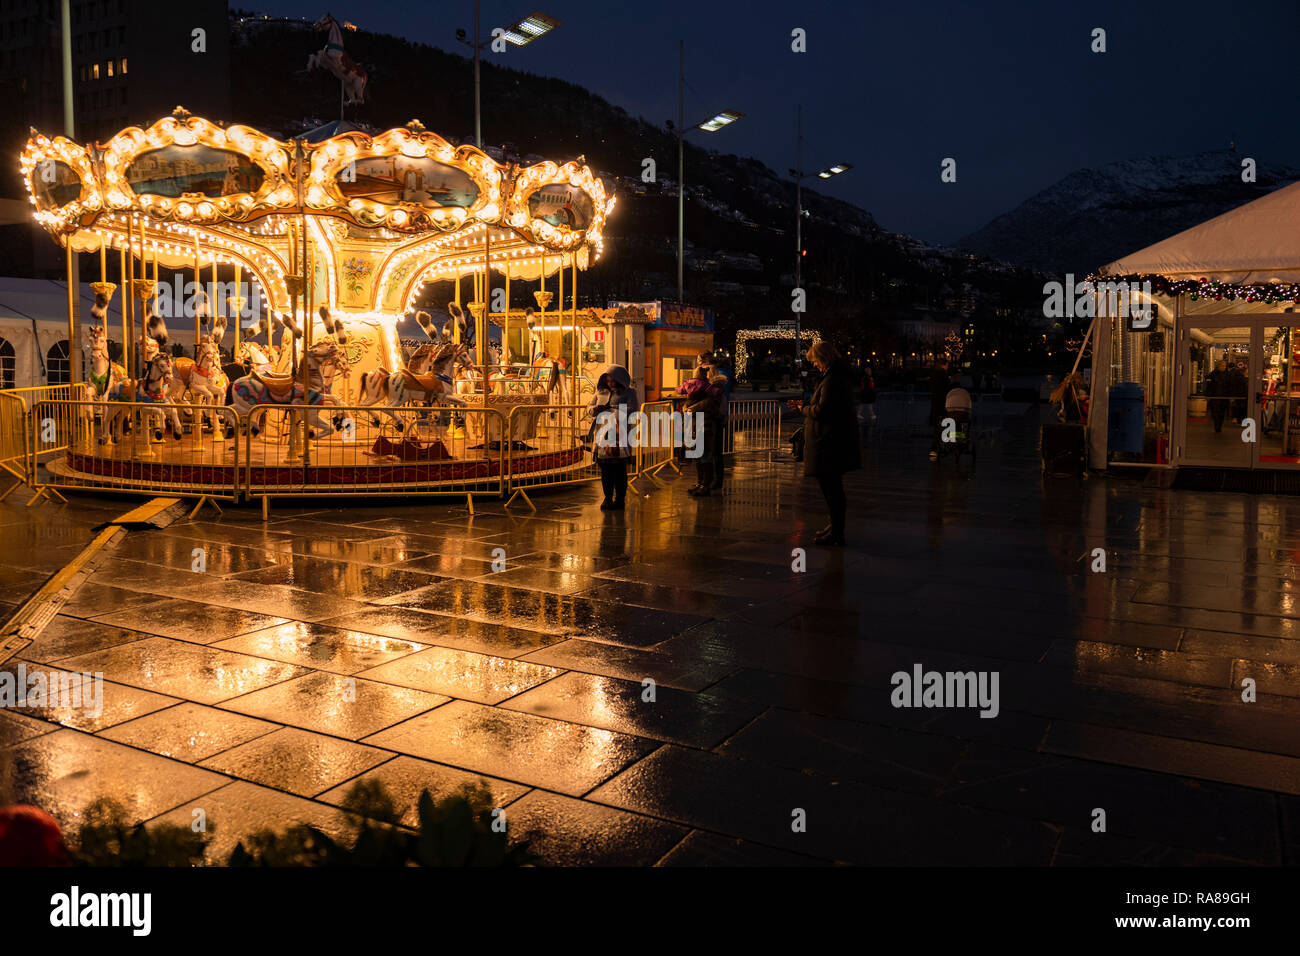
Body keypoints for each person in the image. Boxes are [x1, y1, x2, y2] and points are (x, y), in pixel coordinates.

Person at [802, 342, 861, 545]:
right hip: (834, 442)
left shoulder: (832, 381)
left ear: (824, 359)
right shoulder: (836, 377)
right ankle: (834, 527)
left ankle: (837, 531)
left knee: (832, 489)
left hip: (830, 444)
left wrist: (804, 409)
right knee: (832, 489)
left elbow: (822, 411)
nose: (815, 365)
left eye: (816, 361)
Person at [586, 365, 637, 510]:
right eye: (608, 381)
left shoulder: (629, 392)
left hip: (620, 435)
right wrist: (594, 410)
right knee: (605, 470)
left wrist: (611, 411)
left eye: (613, 381)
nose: (611, 384)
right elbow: (589, 408)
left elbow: (633, 409)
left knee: (620, 470)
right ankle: (607, 498)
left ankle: (620, 499)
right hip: (602, 436)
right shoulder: (600, 392)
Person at [678, 365, 722, 495]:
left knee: (704, 456)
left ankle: (705, 485)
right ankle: (700, 482)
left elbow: (710, 404)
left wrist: (691, 407)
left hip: (705, 424)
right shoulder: (704, 388)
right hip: (696, 423)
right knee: (698, 455)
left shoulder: (713, 389)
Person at [928, 357, 951, 461]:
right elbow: (947, 389)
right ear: (944, 365)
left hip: (935, 404)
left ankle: (935, 448)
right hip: (943, 404)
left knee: (937, 427)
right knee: (945, 426)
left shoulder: (934, 374)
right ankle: (944, 446)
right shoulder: (944, 375)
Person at [1206, 359, 1231, 433]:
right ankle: (1217, 425)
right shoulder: (1213, 374)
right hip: (1215, 396)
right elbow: (1209, 385)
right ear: (1218, 366)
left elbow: (1229, 385)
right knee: (1215, 412)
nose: (1224, 367)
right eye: (1222, 366)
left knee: (1222, 412)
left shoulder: (1227, 375)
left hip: (1223, 396)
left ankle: (1219, 425)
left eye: (1225, 366)